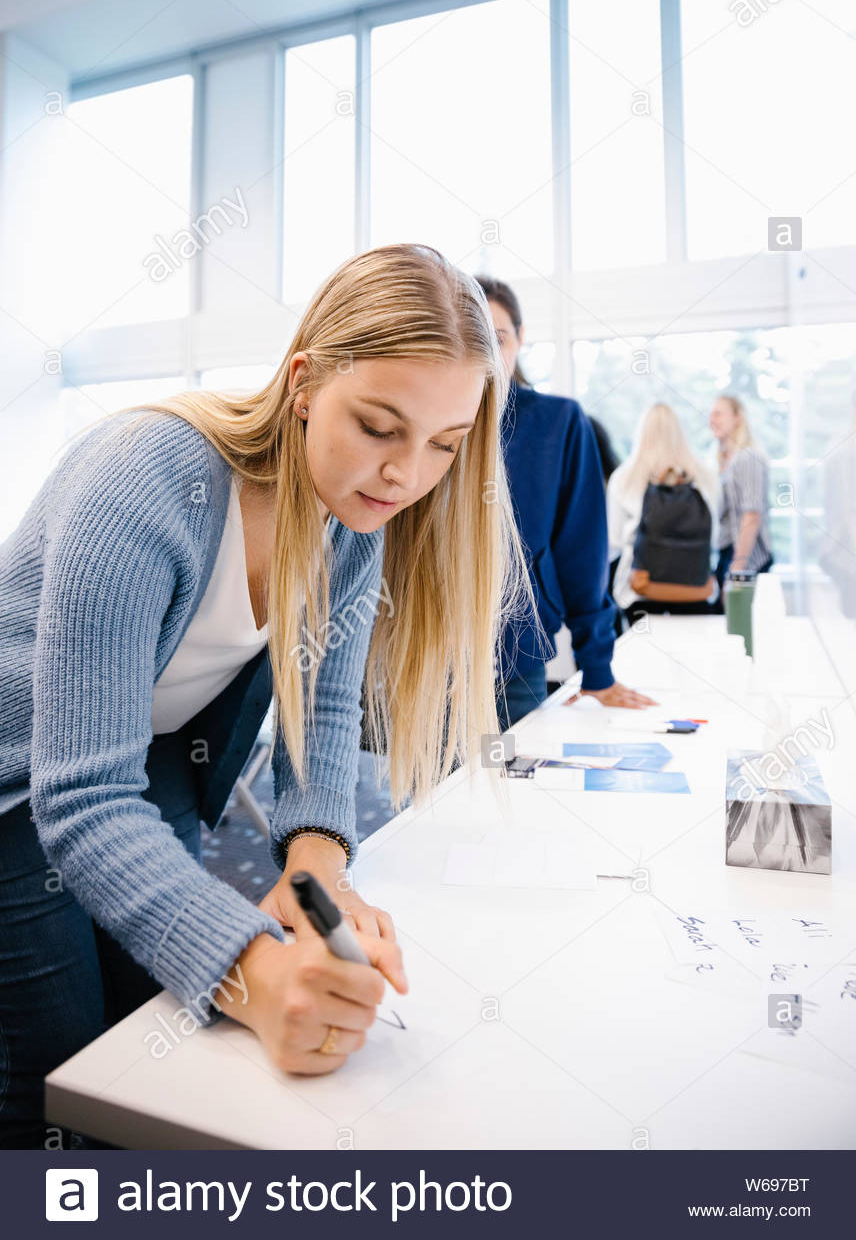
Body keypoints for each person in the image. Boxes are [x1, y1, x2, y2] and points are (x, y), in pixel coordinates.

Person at [0, 244, 535, 1148]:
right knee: (59, 1067)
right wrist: (255, 973)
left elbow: (322, 713)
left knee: (155, 1035)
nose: (406, 475)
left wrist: (316, 866)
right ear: (301, 383)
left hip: (150, 762)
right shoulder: (145, 477)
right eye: (378, 426)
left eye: (445, 445)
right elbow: (80, 795)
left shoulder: (353, 513)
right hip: (25, 781)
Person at [475, 274, 655, 729]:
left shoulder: (558, 423)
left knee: (518, 787)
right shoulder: (426, 422)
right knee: (433, 798)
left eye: (498, 337)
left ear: (520, 339)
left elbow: (582, 550)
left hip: (516, 655)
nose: (487, 351)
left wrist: (596, 667)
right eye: (472, 336)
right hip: (425, 654)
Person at [606, 403, 720, 626]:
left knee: (645, 659)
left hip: (639, 591)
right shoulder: (705, 478)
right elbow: (714, 538)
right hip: (696, 589)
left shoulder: (625, 478)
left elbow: (614, 541)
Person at [708, 393, 773, 594]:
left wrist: (737, 569)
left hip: (747, 560)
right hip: (729, 553)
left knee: (739, 622)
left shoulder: (748, 458)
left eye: (719, 414)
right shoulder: (723, 460)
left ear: (737, 417)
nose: (712, 420)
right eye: (711, 415)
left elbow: (752, 515)